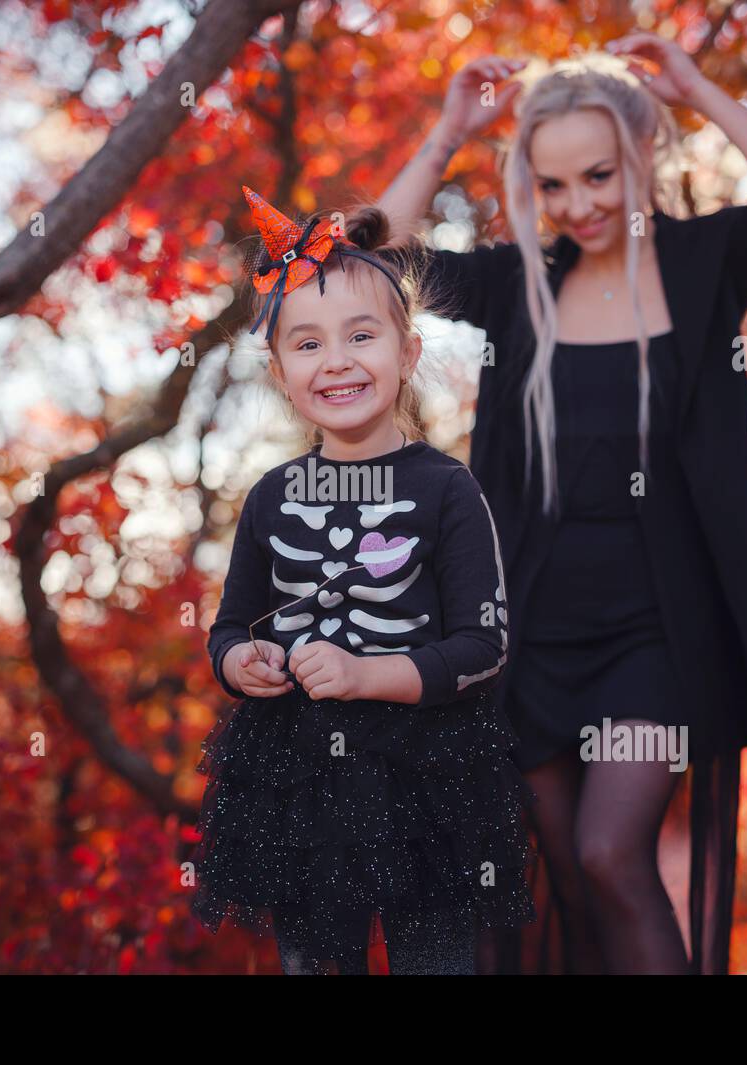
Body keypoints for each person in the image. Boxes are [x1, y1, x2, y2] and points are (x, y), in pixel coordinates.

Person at [374, 35, 747, 973]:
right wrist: (449, 130)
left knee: (608, 854)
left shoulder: (706, 264)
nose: (578, 204)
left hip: (656, 634)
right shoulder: (519, 286)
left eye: (598, 175)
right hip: (528, 632)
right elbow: (373, 262)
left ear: (641, 155)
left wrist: (696, 87)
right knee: (566, 879)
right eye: (552, 185)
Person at [190, 186, 536, 974]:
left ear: (407, 353)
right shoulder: (270, 497)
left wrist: (364, 673)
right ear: (280, 370)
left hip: (428, 769)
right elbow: (230, 626)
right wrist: (241, 662)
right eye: (307, 343)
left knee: (434, 959)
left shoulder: (448, 489)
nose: (337, 359)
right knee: (313, 961)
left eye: (361, 335)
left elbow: (484, 647)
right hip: (300, 770)